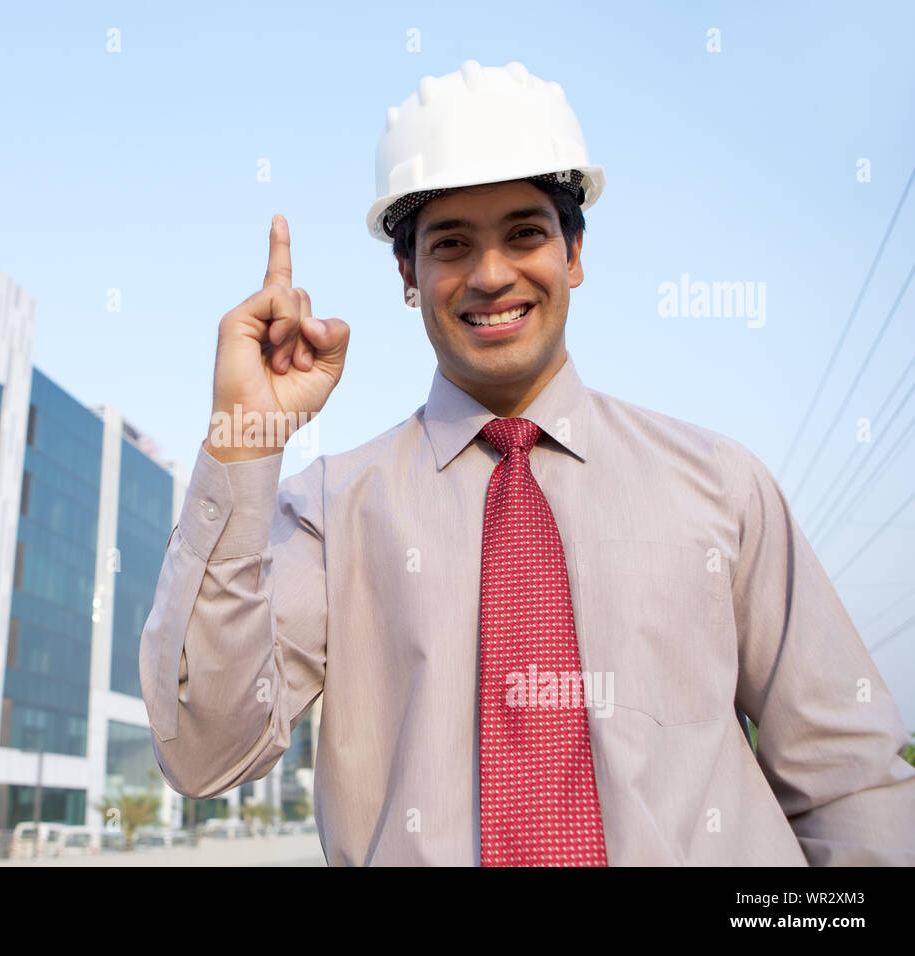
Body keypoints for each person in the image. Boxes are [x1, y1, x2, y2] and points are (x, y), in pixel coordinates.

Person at [137, 59, 915, 865]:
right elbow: (203, 752)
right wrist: (244, 440)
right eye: (451, 243)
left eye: (525, 233)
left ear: (574, 253)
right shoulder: (330, 512)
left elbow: (848, 780)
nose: (491, 274)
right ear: (409, 274)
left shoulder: (721, 485)